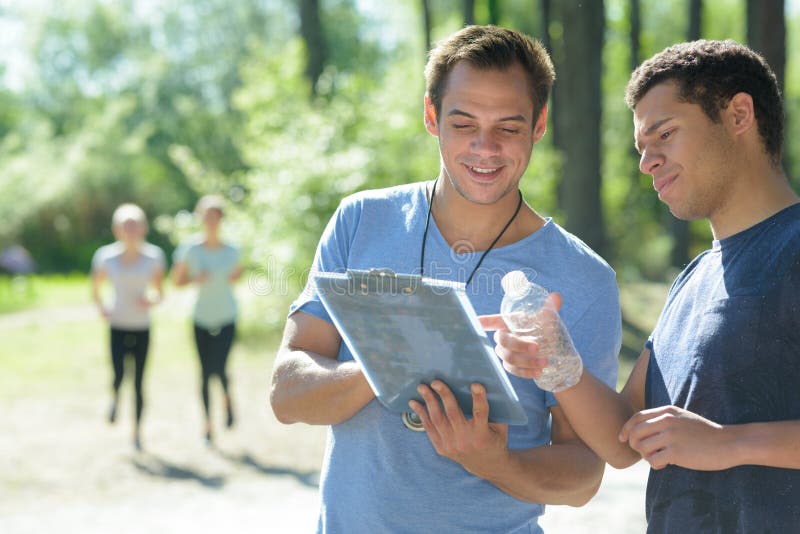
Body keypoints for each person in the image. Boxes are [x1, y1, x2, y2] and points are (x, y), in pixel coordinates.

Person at [269, 25, 622, 533]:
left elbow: (584, 475)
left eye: (508, 126)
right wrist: (389, 360)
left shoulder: (583, 278)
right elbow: (287, 394)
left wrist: (494, 461)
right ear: (432, 117)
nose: (485, 147)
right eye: (463, 123)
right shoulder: (361, 221)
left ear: (539, 125)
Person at [482, 39, 800, 532]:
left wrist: (729, 443)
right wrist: (558, 364)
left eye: (665, 134)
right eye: (642, 147)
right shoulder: (694, 279)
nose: (646, 162)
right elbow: (624, 439)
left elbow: (711, 442)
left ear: (739, 114)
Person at [91, 203, 165, 451]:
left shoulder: (154, 256)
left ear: (143, 228)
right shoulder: (105, 256)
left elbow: (159, 292)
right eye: (126, 225)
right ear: (117, 229)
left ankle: (137, 432)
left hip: (142, 326)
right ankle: (114, 398)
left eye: (135, 225)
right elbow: (96, 288)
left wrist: (151, 300)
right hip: (117, 325)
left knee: (139, 381)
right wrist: (102, 307)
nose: (131, 230)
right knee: (119, 374)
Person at [172, 194, 243, 445]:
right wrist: (195, 279)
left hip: (227, 316)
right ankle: (207, 424)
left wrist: (234, 276)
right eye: (206, 216)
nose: (211, 221)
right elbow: (176, 282)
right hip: (200, 317)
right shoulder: (189, 249)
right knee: (203, 372)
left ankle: (227, 400)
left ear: (221, 219)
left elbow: (237, 276)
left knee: (220, 368)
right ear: (200, 218)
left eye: (215, 216)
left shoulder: (233, 250)